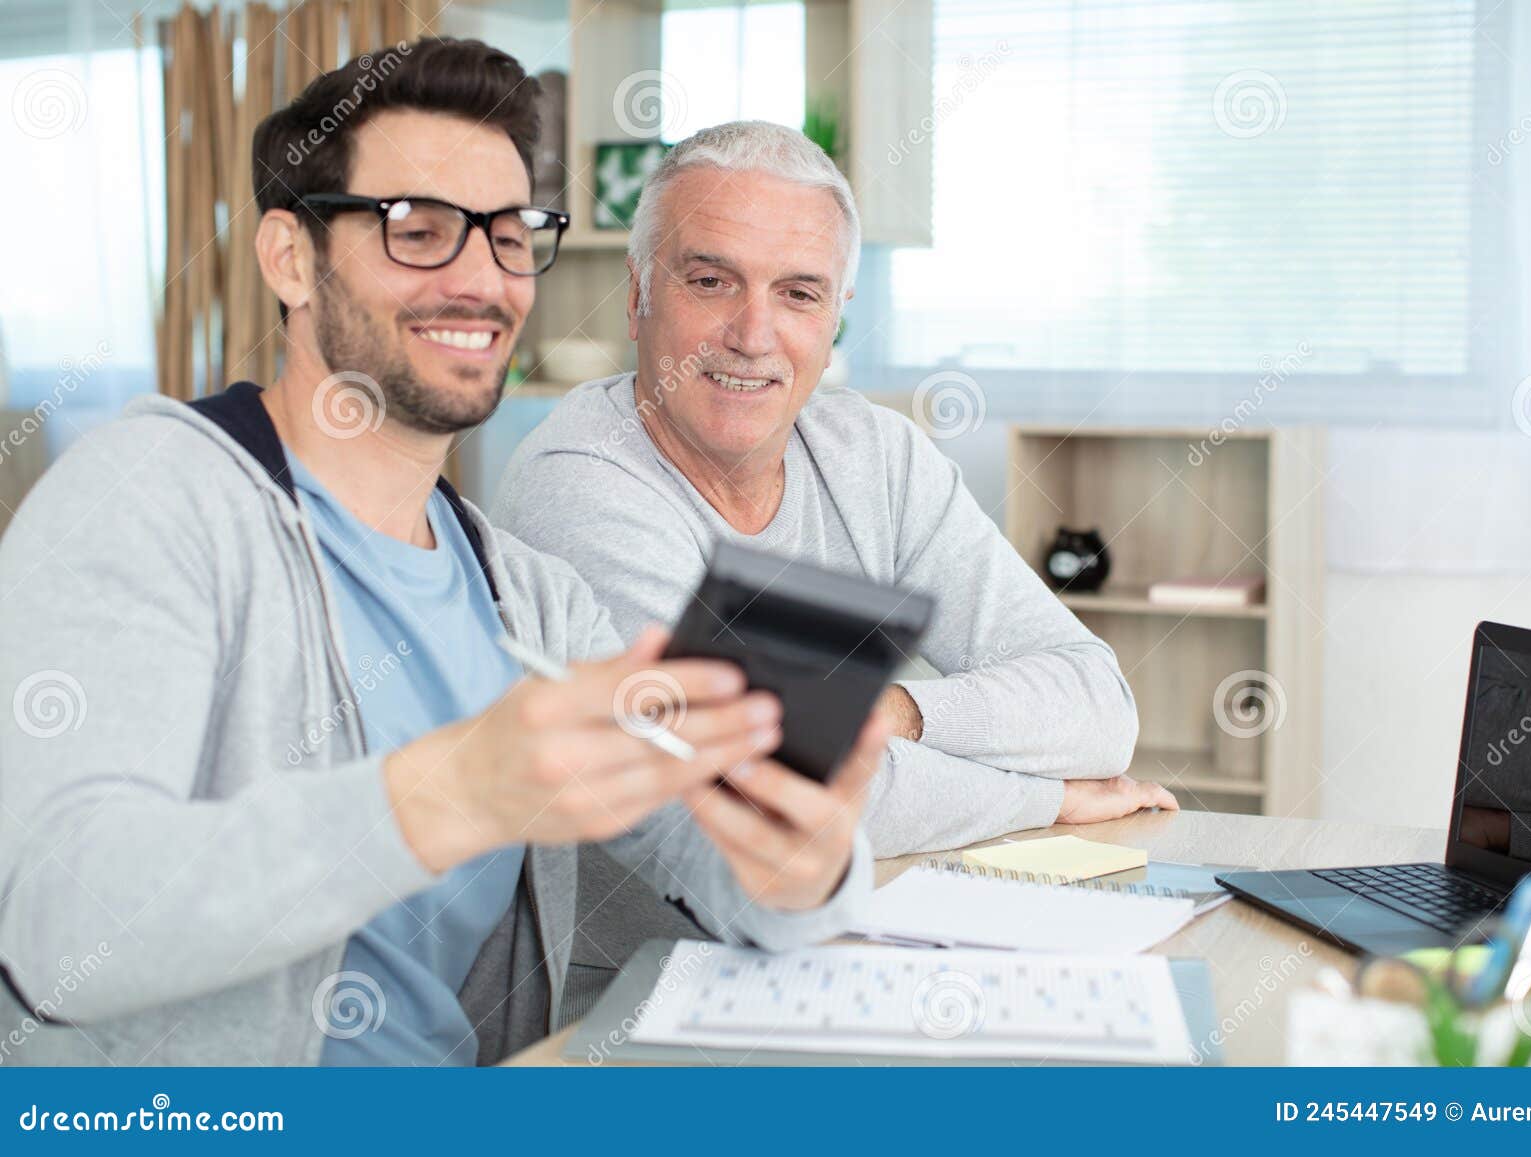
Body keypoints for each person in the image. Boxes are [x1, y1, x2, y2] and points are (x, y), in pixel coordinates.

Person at [0, 41, 882, 1067]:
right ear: (290, 258)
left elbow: (698, 849)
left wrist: (802, 864)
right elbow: (58, 916)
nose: (482, 279)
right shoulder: (150, 494)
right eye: (418, 230)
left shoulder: (527, 596)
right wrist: (450, 790)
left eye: (511, 238)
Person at [492, 121, 1172, 1010]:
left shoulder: (876, 456)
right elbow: (758, 791)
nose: (753, 333)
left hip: (854, 946)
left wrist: (889, 712)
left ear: (836, 314)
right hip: (639, 1010)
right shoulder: (579, 486)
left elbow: (1098, 708)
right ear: (638, 296)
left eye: (799, 293)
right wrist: (1042, 800)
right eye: (710, 281)